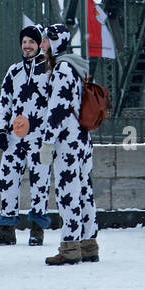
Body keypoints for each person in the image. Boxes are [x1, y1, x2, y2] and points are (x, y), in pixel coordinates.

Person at [0, 24, 53, 247]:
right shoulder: (13, 71)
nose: (27, 46)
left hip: (40, 138)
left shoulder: (50, 69)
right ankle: (7, 229)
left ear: (39, 45)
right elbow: (5, 103)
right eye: (24, 42)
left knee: (40, 183)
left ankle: (37, 230)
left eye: (31, 42)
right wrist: (1, 130)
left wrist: (46, 130)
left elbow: (56, 105)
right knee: (7, 180)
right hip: (15, 138)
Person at [38, 23, 97, 266]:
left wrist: (47, 142)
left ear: (56, 41)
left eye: (45, 41)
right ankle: (89, 244)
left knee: (67, 192)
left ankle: (70, 246)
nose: (42, 45)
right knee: (85, 191)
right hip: (82, 138)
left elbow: (57, 109)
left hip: (67, 141)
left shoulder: (62, 69)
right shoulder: (76, 66)